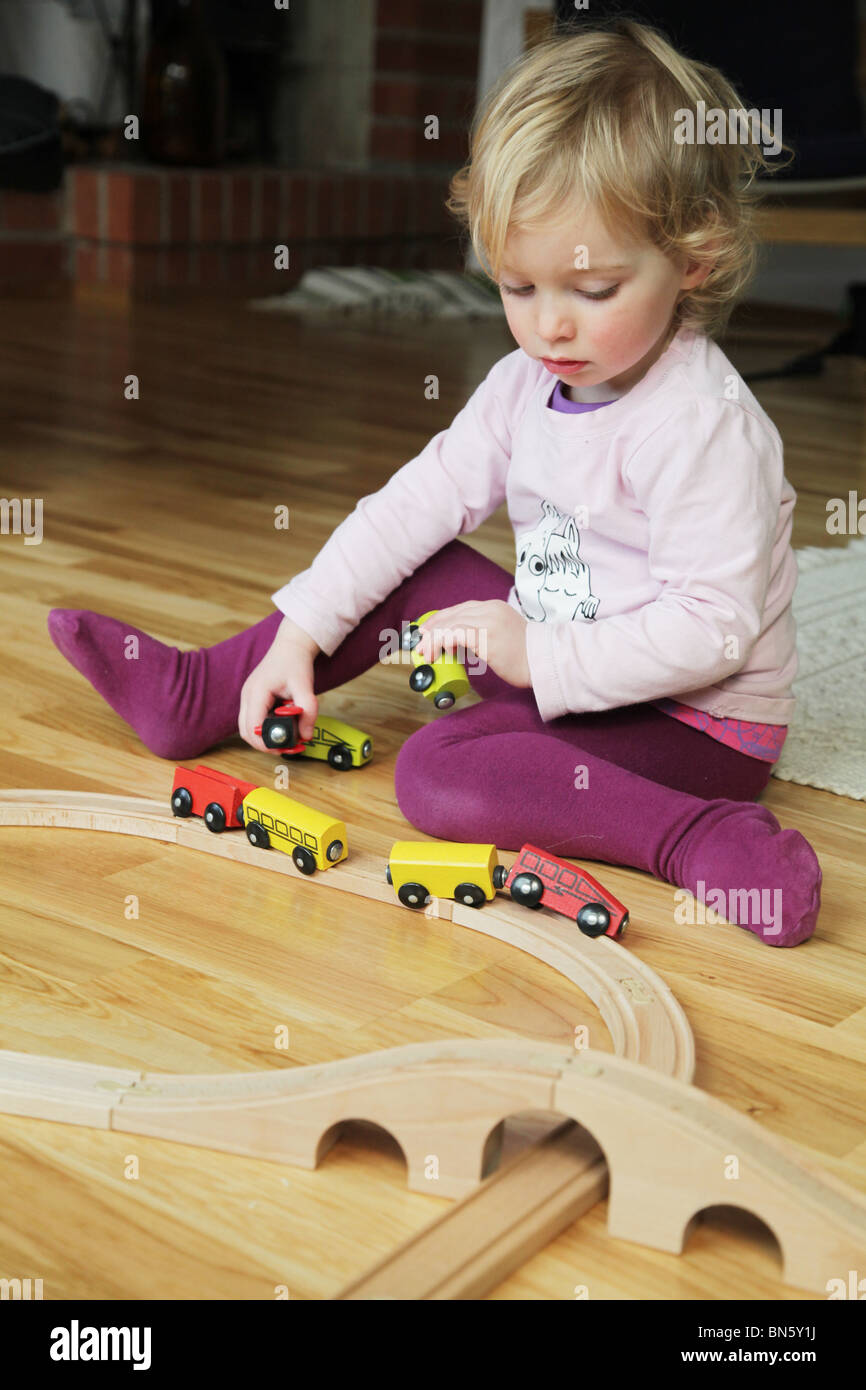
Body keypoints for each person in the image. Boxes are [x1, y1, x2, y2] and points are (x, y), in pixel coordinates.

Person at [47, 19, 821, 947]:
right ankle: (217, 686)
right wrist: (304, 634)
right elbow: (415, 502)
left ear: (692, 261)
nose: (550, 328)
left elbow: (713, 629)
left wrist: (534, 655)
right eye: (518, 287)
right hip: (563, 661)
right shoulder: (525, 382)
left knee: (439, 772)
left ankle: (697, 837)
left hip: (693, 729)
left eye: (594, 291)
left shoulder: (702, 427)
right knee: (419, 560)